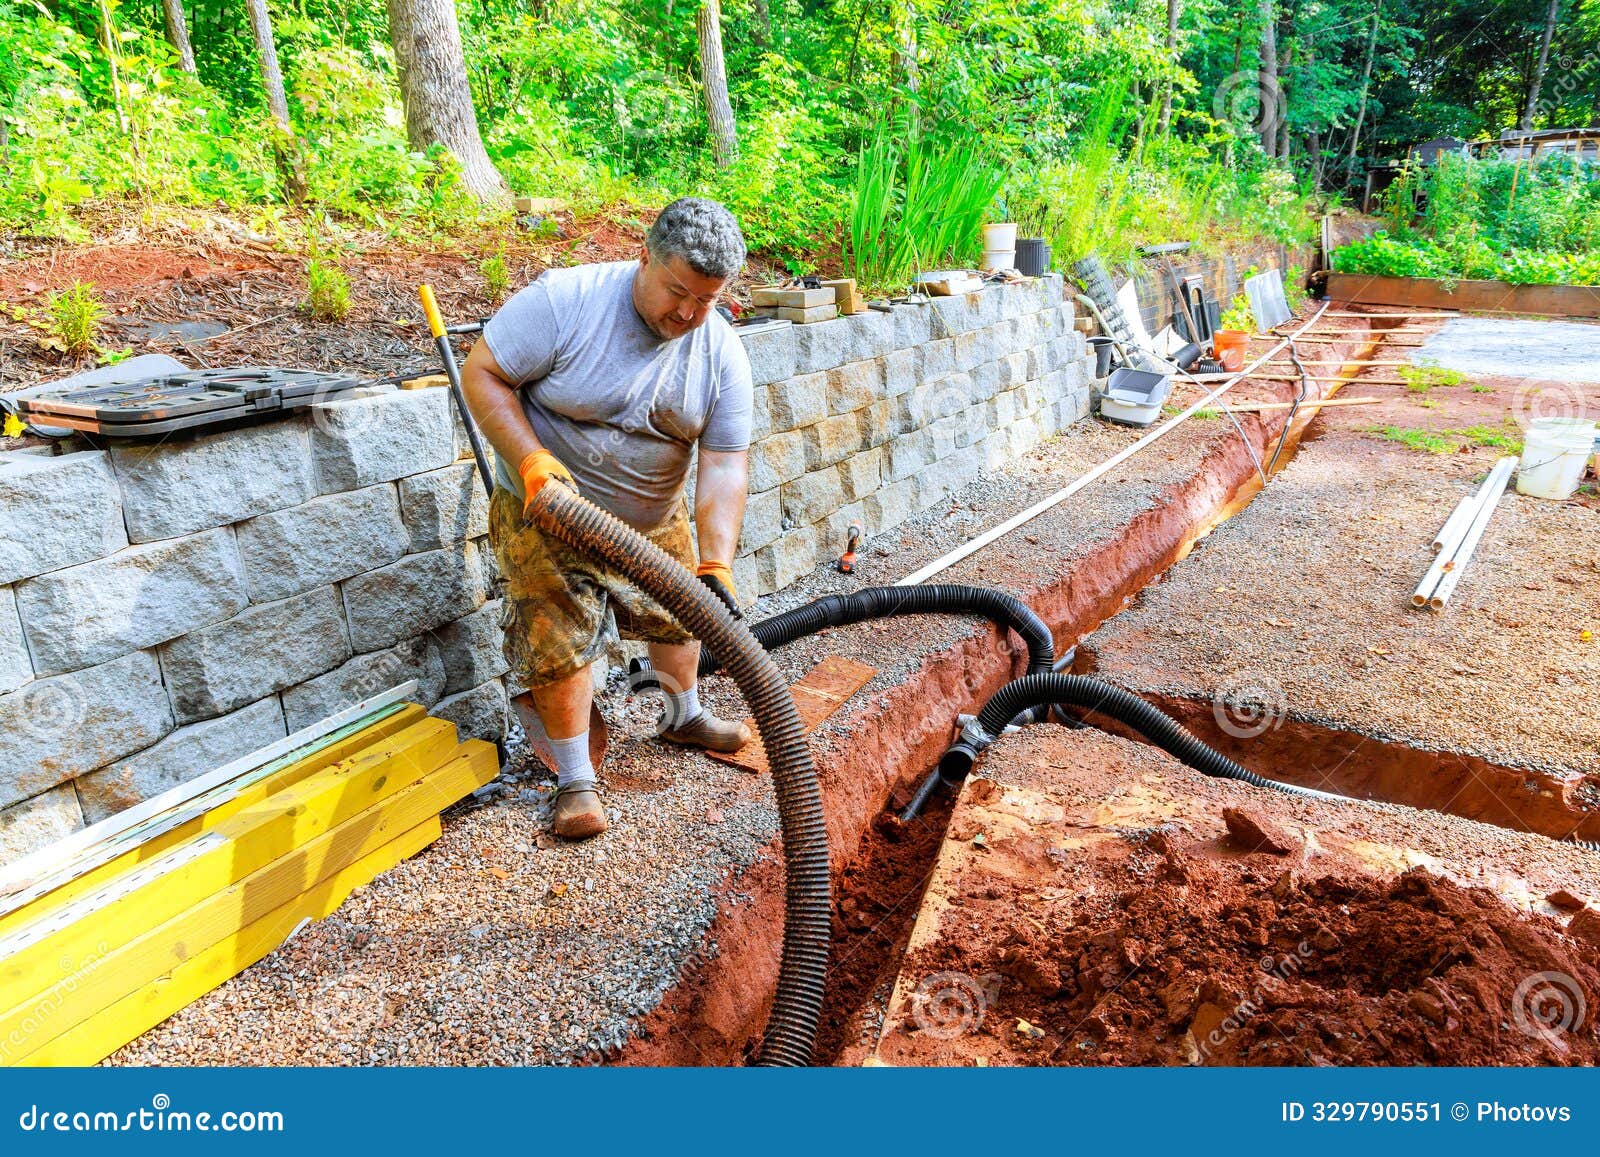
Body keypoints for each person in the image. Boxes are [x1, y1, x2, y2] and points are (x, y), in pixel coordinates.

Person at [462, 197, 754, 840]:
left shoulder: (721, 353)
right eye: (678, 291)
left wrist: (716, 562)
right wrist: (531, 461)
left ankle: (682, 714)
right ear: (643, 256)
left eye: (706, 300)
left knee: (683, 609)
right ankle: (575, 781)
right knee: (557, 641)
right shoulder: (565, 303)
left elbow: (725, 462)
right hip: (549, 513)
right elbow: (481, 374)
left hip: (652, 517)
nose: (688, 312)